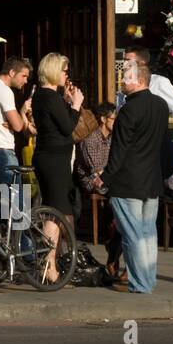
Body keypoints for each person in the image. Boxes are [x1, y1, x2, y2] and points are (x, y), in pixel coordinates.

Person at [100, 61, 170, 294]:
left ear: (140, 81)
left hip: (127, 181)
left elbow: (119, 150)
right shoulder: (161, 106)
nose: (122, 81)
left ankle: (140, 284)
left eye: (127, 78)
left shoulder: (128, 110)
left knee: (133, 235)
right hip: (151, 180)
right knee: (149, 234)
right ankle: (148, 281)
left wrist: (105, 178)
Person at [31, 53, 84, 226]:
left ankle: (59, 252)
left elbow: (56, 122)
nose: (66, 75)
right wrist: (76, 105)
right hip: (54, 160)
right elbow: (68, 128)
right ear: (54, 71)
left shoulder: (43, 95)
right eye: (64, 71)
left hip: (49, 157)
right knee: (56, 211)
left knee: (57, 208)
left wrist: (67, 103)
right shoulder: (50, 96)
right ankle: (51, 254)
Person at [74, 101, 121, 279]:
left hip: (108, 180)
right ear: (103, 119)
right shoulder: (90, 139)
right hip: (92, 181)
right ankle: (113, 234)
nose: (116, 122)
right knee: (119, 196)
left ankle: (114, 232)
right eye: (113, 118)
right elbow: (96, 170)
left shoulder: (112, 138)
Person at [0, 57, 31, 187]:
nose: (26, 81)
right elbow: (18, 126)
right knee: (15, 199)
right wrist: (22, 111)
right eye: (24, 76)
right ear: (12, 73)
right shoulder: (4, 90)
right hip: (2, 150)